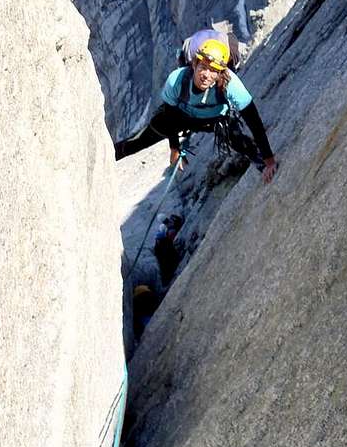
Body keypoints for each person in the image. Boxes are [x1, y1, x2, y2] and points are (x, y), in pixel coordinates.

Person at [115, 37, 278, 184]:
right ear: (194, 64)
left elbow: (254, 121)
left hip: (215, 119)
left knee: (238, 139)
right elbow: (170, 115)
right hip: (181, 117)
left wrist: (270, 161)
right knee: (142, 138)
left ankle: (261, 163)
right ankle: (111, 155)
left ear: (221, 73)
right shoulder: (177, 80)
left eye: (213, 70)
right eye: (203, 67)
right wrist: (175, 148)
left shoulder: (230, 84)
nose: (206, 75)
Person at [153, 214, 184, 287]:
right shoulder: (173, 220)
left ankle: (166, 280)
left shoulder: (166, 231)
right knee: (164, 264)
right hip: (165, 249)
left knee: (164, 265)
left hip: (165, 251)